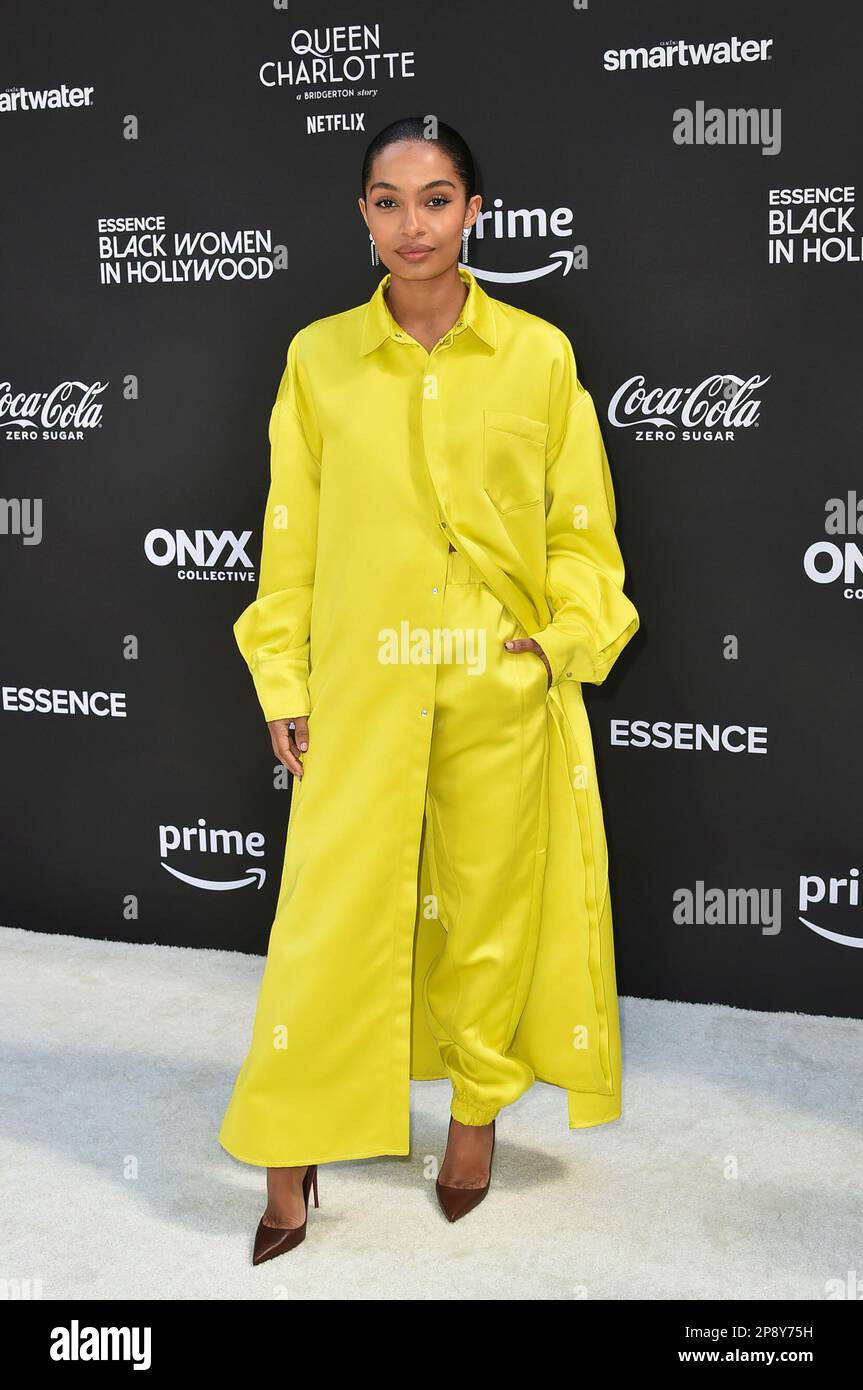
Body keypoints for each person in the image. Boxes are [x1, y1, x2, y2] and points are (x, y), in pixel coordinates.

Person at [219, 115, 641, 1264]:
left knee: (486, 920)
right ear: (360, 215)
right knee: (322, 922)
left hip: (493, 687)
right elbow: (289, 539)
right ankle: (289, 1142)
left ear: (473, 212)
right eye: (390, 201)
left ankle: (470, 1121)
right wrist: (282, 675)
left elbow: (580, 536)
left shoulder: (538, 356)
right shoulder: (316, 359)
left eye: (437, 198)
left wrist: (547, 651)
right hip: (360, 687)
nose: (414, 224)